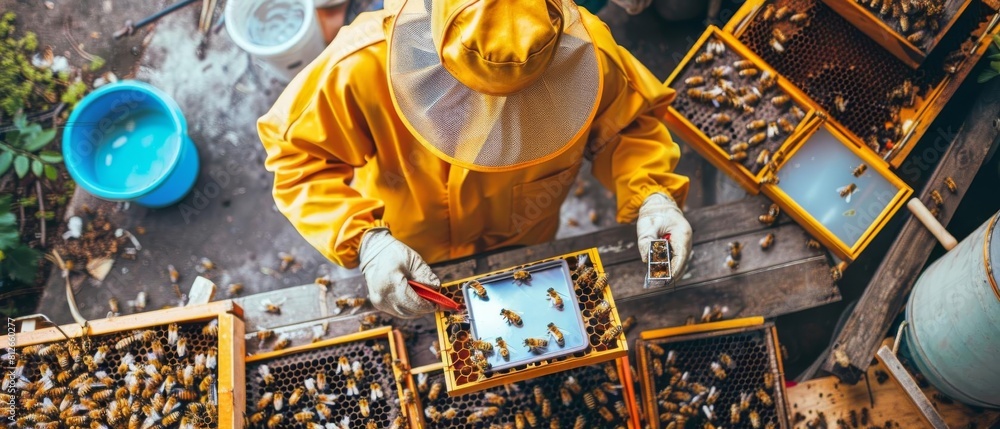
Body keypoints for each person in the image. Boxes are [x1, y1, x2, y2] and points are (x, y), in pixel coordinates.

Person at [258, 0, 693, 319]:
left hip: (528, 235)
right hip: (410, 247)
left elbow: (627, 127)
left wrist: (653, 193)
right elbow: (297, 159)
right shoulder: (359, 64)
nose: (493, 120)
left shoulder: (591, 55)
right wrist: (366, 241)